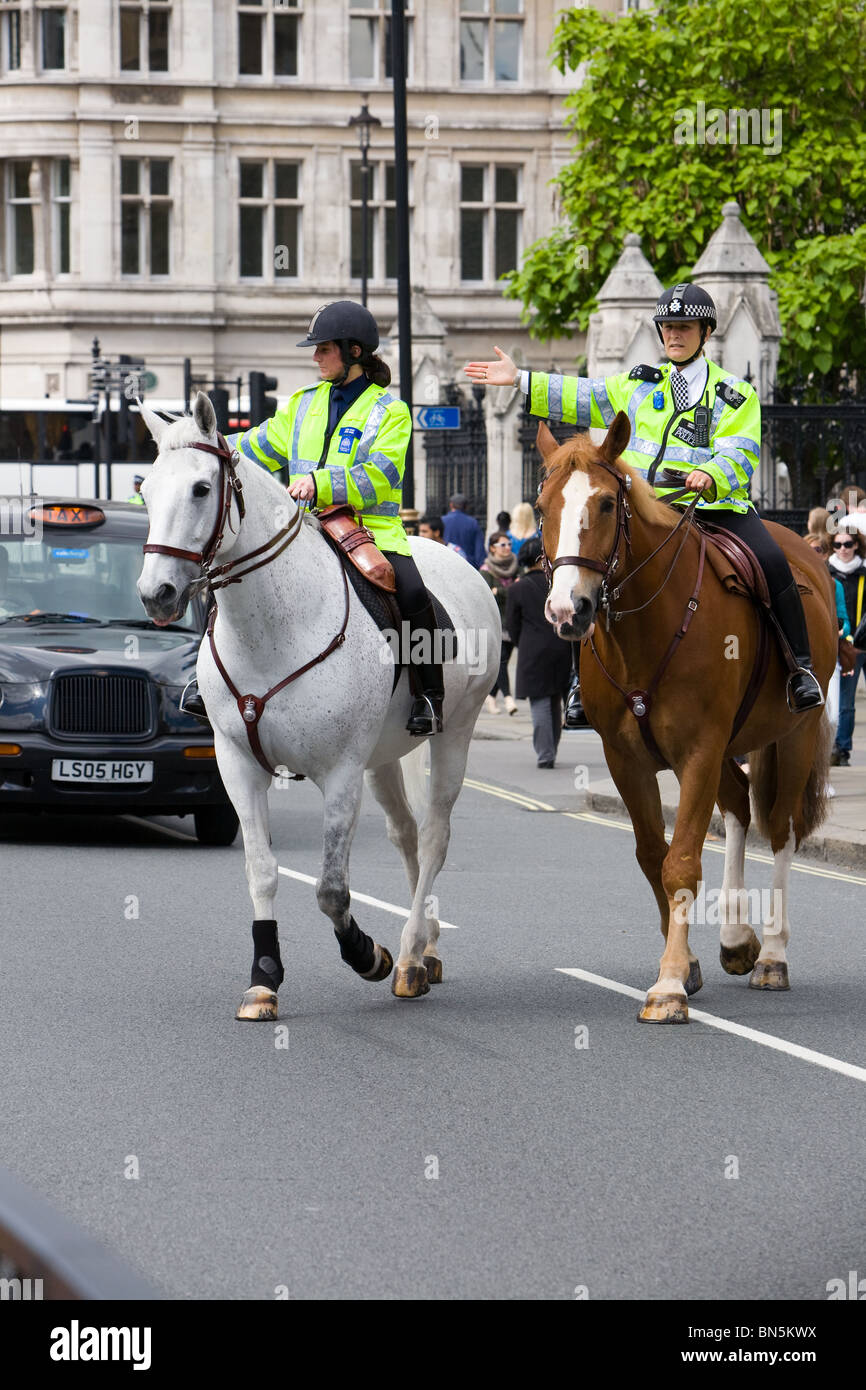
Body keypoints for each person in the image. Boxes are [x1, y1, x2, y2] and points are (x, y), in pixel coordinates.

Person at [466, 282, 825, 715]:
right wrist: (521, 379)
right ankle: (583, 682)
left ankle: (799, 668)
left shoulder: (735, 393)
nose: (674, 335)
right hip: (643, 509)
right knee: (590, 568)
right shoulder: (638, 385)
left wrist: (709, 473)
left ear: (706, 333)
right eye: (668, 327)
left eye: (685, 327)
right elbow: (586, 396)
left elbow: (742, 451)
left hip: (713, 509)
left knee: (771, 560)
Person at [183, 300, 444, 736]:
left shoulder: (390, 411)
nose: (315, 357)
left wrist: (320, 484)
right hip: (301, 529)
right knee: (229, 573)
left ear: (354, 351)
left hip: (369, 532)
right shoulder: (302, 404)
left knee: (413, 593)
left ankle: (429, 697)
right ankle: (205, 679)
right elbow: (256, 446)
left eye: (323, 348)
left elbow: (381, 475)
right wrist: (200, 453)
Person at [505, 536, 573, 767]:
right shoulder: (558, 585)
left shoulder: (517, 589)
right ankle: (551, 748)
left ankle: (546, 754)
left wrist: (521, 643)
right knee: (555, 701)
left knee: (540, 703)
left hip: (532, 651)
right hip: (562, 646)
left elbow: (512, 626)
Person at [828, 529, 866, 766]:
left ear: (856, 545)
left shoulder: (863, 572)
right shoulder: (828, 574)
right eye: (837, 544)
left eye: (848, 543)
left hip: (865, 640)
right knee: (845, 702)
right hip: (847, 645)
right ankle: (842, 750)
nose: (843, 548)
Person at [480, 530, 518, 714]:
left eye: (509, 544)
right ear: (493, 548)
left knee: (503, 660)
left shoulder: (516, 566)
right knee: (501, 661)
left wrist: (500, 591)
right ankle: (509, 698)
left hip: (513, 621)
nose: (507, 548)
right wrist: (511, 589)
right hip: (495, 622)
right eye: (503, 544)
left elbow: (519, 590)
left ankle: (491, 697)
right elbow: (487, 594)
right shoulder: (486, 570)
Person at [442, 493, 485, 569]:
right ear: (465, 506)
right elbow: (479, 549)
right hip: (468, 565)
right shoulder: (472, 522)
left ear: (451, 505)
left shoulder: (442, 521)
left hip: (446, 563)